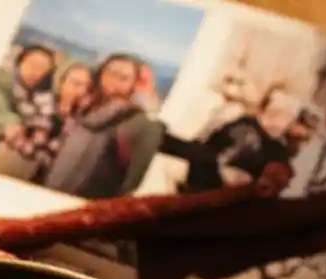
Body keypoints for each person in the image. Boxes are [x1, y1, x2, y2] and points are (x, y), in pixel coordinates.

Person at [42, 53, 163, 198]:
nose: (114, 81)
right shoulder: (84, 106)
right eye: (110, 73)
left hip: (88, 202)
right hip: (48, 188)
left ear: (135, 83)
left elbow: (131, 181)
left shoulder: (142, 124)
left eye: (123, 78)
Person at [164, 85, 300, 193]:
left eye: (286, 116)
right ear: (264, 109)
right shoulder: (243, 126)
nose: (281, 120)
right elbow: (211, 151)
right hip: (209, 181)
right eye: (278, 112)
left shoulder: (278, 150)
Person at [0, 60, 92, 181]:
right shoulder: (37, 102)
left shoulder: (78, 120)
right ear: (61, 82)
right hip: (10, 162)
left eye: (86, 87)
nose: (81, 91)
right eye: (76, 84)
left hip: (35, 175)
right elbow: (27, 140)